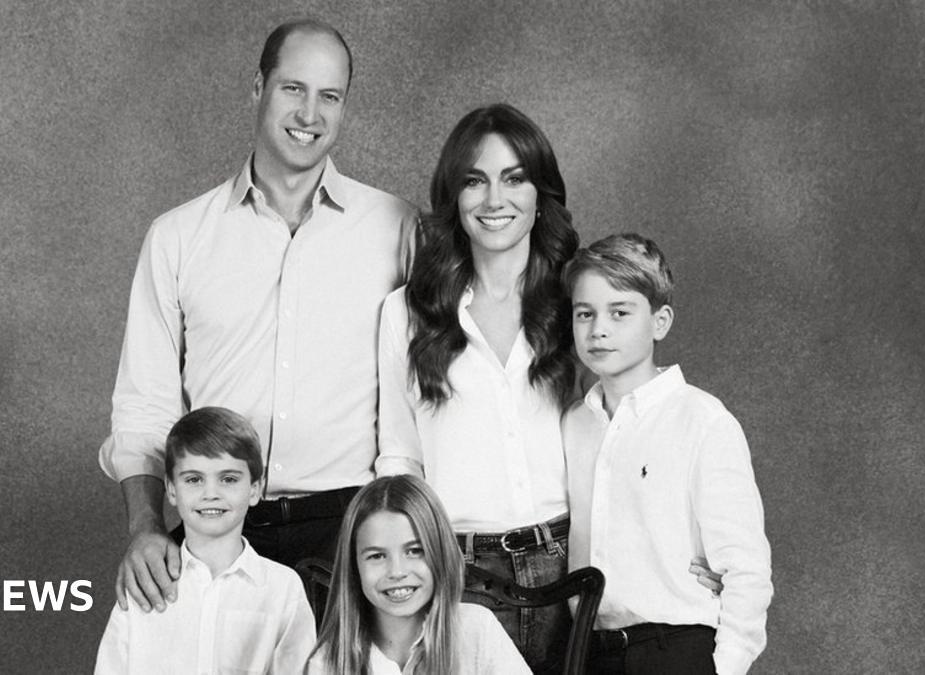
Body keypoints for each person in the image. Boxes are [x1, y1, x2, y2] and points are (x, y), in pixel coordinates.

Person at [99, 19, 416, 614]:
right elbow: (144, 406)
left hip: (349, 533)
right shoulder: (177, 238)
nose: (310, 114)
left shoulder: (397, 229)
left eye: (330, 96)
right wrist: (145, 526)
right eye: (293, 89)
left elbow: (432, 388)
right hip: (218, 527)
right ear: (257, 89)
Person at [376, 103, 579, 672]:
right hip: (459, 571)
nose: (495, 200)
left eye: (515, 179)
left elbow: (622, 431)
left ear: (541, 197)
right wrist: (407, 564)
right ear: (454, 197)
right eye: (475, 181)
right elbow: (399, 457)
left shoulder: (576, 304)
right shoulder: (407, 313)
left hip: (571, 566)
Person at [561, 234, 773, 675]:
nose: (599, 329)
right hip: (588, 651)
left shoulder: (702, 421)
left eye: (620, 313)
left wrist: (724, 666)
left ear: (660, 322)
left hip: (672, 647)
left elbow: (745, 567)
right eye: (585, 314)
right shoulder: (573, 426)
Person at [94, 407, 316, 674]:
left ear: (255, 489)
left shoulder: (283, 587)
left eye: (228, 479)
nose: (211, 493)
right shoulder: (148, 581)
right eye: (194, 479)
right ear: (172, 490)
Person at [305, 474, 529, 675]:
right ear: (354, 567)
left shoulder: (477, 630)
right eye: (377, 556)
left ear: (439, 554)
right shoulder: (327, 663)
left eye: (414, 551)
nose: (397, 572)